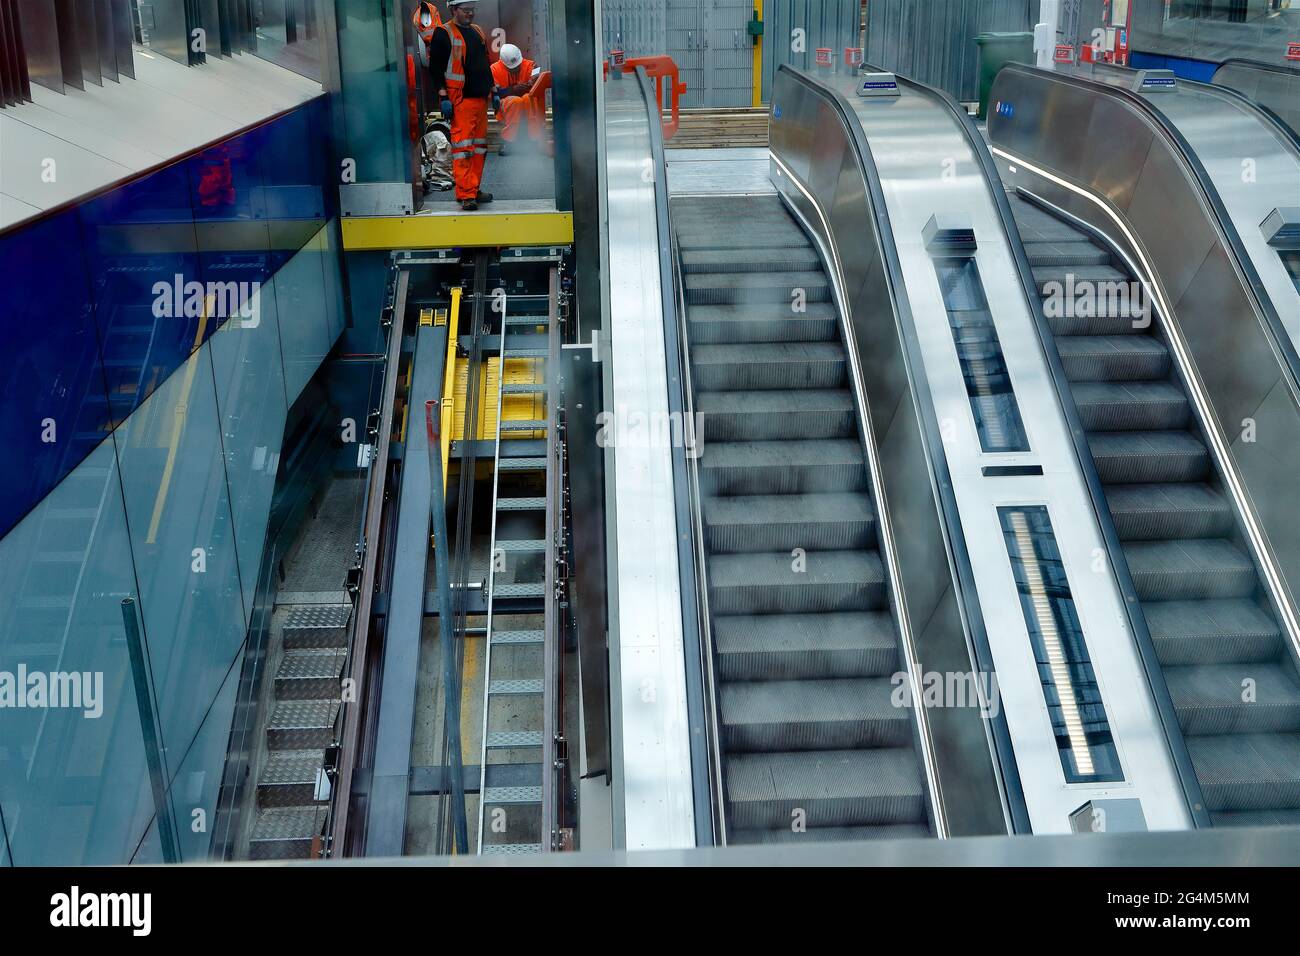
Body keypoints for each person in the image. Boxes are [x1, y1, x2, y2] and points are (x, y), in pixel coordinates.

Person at [427, 0, 494, 210]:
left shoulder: (477, 32)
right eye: (466, 11)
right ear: (453, 10)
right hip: (461, 100)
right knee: (463, 149)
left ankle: (473, 188)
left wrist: (495, 91)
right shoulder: (443, 33)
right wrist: (443, 97)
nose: (470, 14)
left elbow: (485, 63)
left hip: (481, 99)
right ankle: (465, 194)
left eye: (472, 10)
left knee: (479, 149)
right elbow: (435, 69)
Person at [490, 43, 544, 155]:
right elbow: (496, 92)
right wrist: (514, 89)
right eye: (512, 68)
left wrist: (531, 82)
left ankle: (534, 139)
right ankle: (508, 141)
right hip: (507, 106)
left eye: (517, 66)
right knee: (515, 101)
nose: (516, 69)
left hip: (528, 105)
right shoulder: (494, 69)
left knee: (528, 99)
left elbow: (536, 78)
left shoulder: (532, 65)